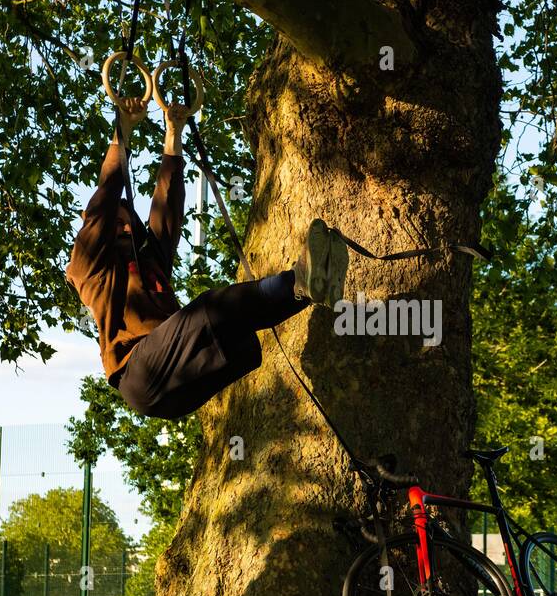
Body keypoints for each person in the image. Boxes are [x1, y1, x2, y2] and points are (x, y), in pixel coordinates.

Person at [67, 89, 349, 421]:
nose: (126, 228)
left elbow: (167, 208)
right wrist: (122, 131)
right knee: (211, 307)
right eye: (119, 223)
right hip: (141, 374)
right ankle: (297, 280)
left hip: (178, 383)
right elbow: (104, 200)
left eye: (129, 224)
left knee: (237, 332)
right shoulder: (89, 267)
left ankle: (309, 289)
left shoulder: (148, 265)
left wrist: (173, 133)